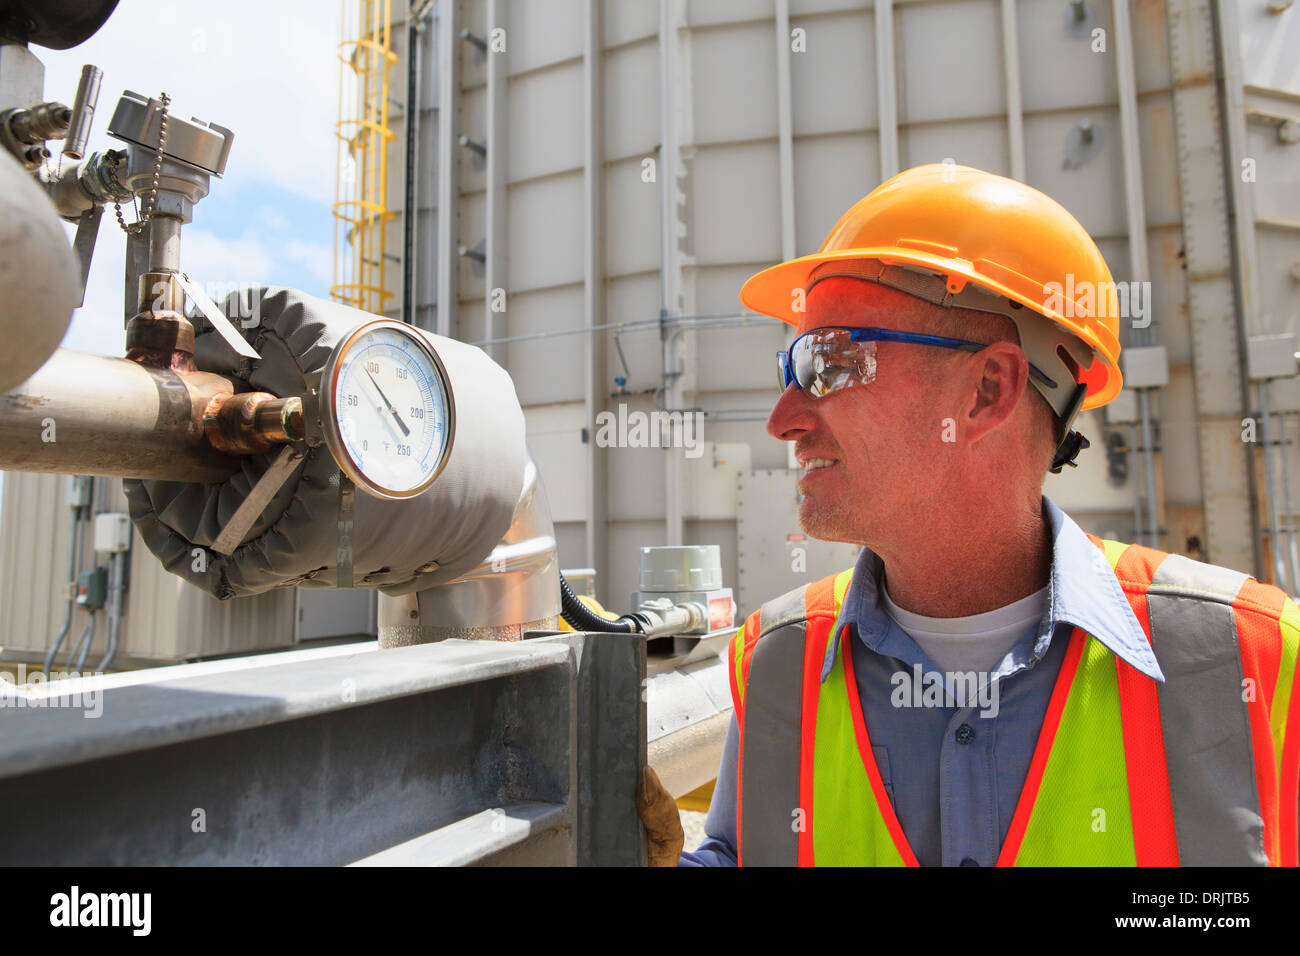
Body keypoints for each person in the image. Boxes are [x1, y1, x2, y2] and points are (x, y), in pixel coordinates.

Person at [636, 163, 1299, 867]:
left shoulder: (1251, 659)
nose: (783, 419)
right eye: (789, 369)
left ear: (988, 390)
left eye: (828, 363)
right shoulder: (778, 663)